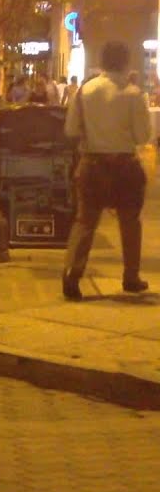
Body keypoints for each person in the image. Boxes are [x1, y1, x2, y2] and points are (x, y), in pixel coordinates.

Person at [62, 41, 152, 301]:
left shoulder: (84, 91)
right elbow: (143, 136)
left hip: (91, 164)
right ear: (125, 62)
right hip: (125, 166)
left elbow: (71, 130)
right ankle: (131, 276)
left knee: (85, 222)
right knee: (130, 222)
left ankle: (72, 274)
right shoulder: (133, 94)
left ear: (102, 62)